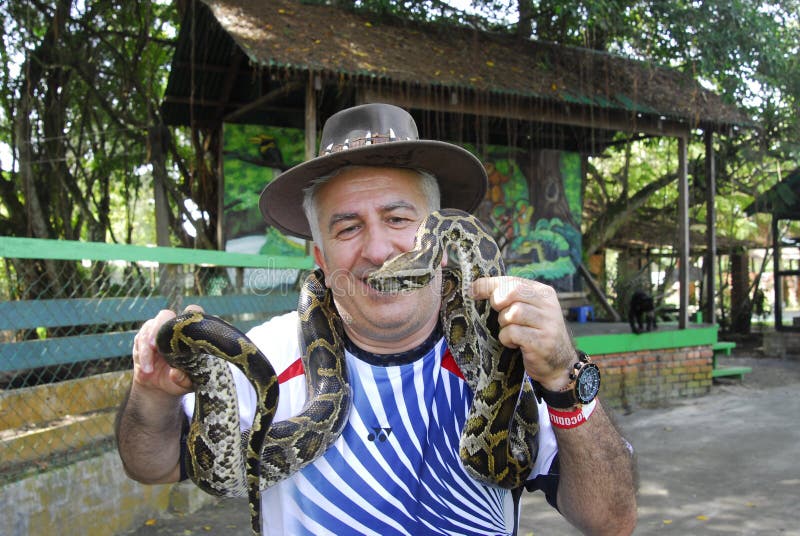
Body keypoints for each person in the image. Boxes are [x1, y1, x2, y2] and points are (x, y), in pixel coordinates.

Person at [116, 103, 637, 535]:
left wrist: (566, 377)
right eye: (347, 228)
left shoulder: (512, 352)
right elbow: (153, 464)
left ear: (439, 239)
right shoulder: (267, 356)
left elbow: (611, 520)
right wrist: (153, 392)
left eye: (398, 219)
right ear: (320, 260)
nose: (379, 251)